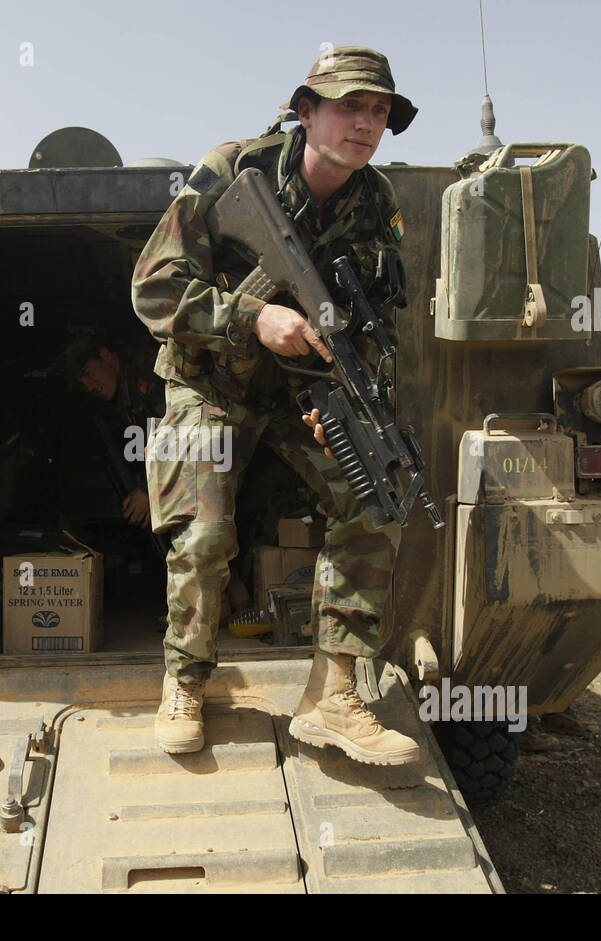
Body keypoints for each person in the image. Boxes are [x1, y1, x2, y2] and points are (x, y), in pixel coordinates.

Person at [132, 46, 426, 765]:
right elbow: (154, 289)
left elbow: (371, 321)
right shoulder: (237, 170)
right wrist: (251, 318)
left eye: (379, 111)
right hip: (210, 382)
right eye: (350, 106)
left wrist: (347, 409)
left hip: (302, 388)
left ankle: (334, 692)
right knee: (205, 535)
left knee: (377, 498)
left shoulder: (376, 203)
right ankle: (185, 683)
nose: (366, 123)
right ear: (306, 111)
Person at [64, 333, 165, 527]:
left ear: (106, 356)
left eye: (88, 373)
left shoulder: (146, 371)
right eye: (82, 384)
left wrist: (148, 489)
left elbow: (183, 433)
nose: (89, 387)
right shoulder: (120, 398)